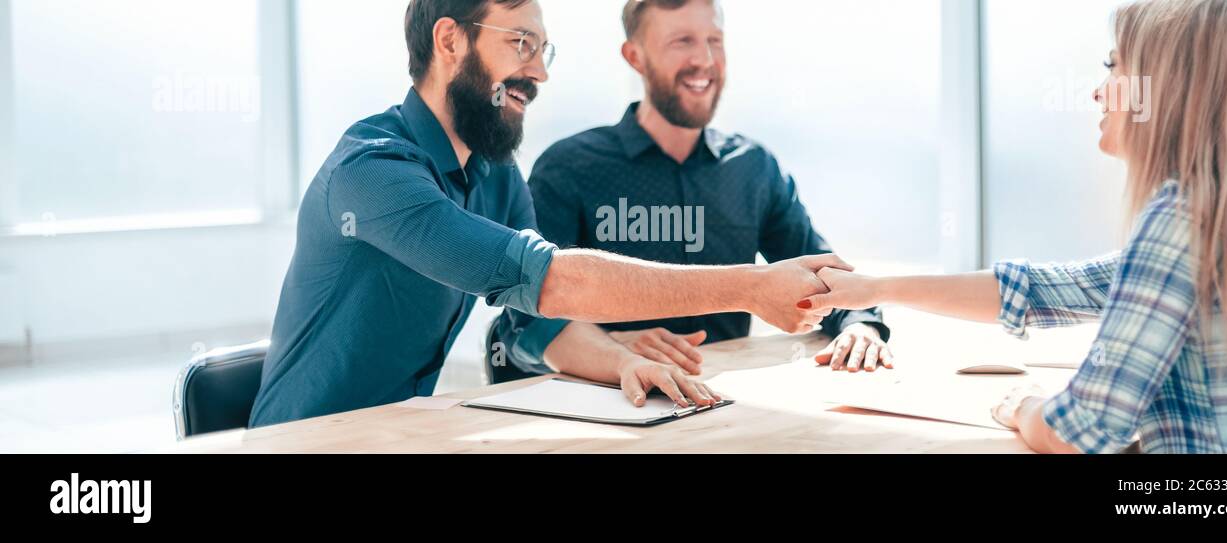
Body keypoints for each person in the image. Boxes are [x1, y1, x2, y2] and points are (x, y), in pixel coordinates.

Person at [248, 0, 848, 428]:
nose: (539, 71)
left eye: (543, 49)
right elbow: (554, 282)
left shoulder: (495, 173)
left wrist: (623, 363)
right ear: (450, 40)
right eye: (520, 43)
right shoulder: (373, 171)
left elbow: (534, 321)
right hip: (303, 442)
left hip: (397, 434)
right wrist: (751, 287)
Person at [804, 0, 1227, 454]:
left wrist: (1023, 407)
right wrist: (874, 287)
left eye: (1114, 66)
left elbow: (1077, 431)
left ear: (1164, 88)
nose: (1097, 90)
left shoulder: (1180, 223)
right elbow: (1050, 289)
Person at [488, 0, 891, 403]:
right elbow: (523, 322)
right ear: (635, 57)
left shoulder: (754, 168)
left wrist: (860, 325)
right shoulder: (569, 167)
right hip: (612, 406)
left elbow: (824, 276)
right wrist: (608, 348)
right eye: (682, 41)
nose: (704, 59)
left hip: (720, 407)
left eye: (714, 40)